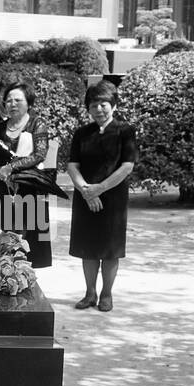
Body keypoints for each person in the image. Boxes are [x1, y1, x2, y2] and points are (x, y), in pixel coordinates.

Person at [67, 81, 137, 313]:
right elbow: (72, 166)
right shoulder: (81, 133)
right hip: (85, 197)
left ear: (113, 105)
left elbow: (127, 166)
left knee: (109, 250)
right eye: (93, 104)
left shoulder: (125, 131)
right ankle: (89, 293)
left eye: (103, 104)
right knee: (87, 248)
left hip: (113, 200)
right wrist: (86, 190)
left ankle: (106, 294)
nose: (98, 109)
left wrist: (100, 189)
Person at [0, 81, 54, 267]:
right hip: (1, 192)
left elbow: (39, 154)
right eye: (8, 100)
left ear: (28, 102)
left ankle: (24, 284)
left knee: (24, 243)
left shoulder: (37, 124)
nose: (12, 104)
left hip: (28, 192)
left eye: (18, 100)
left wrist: (10, 168)